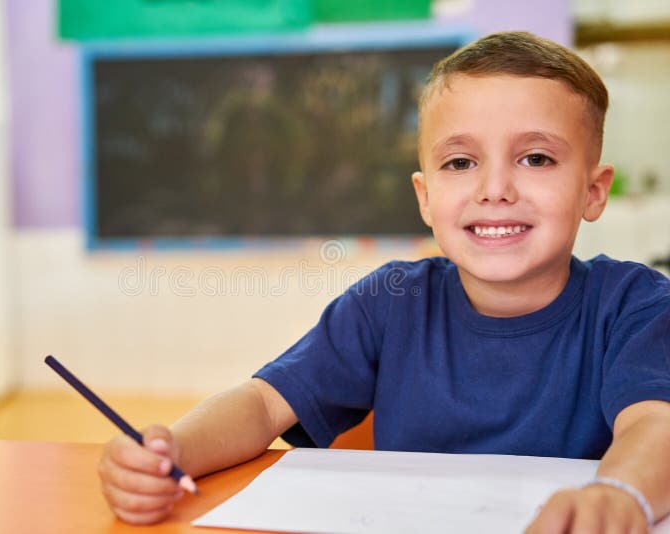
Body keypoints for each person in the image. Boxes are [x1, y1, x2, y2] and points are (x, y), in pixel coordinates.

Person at [97, 31, 670, 532]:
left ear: (594, 191)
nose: (495, 188)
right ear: (425, 198)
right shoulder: (389, 301)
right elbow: (261, 405)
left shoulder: (635, 305)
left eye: (537, 159)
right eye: (460, 163)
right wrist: (170, 451)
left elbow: (656, 424)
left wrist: (619, 494)